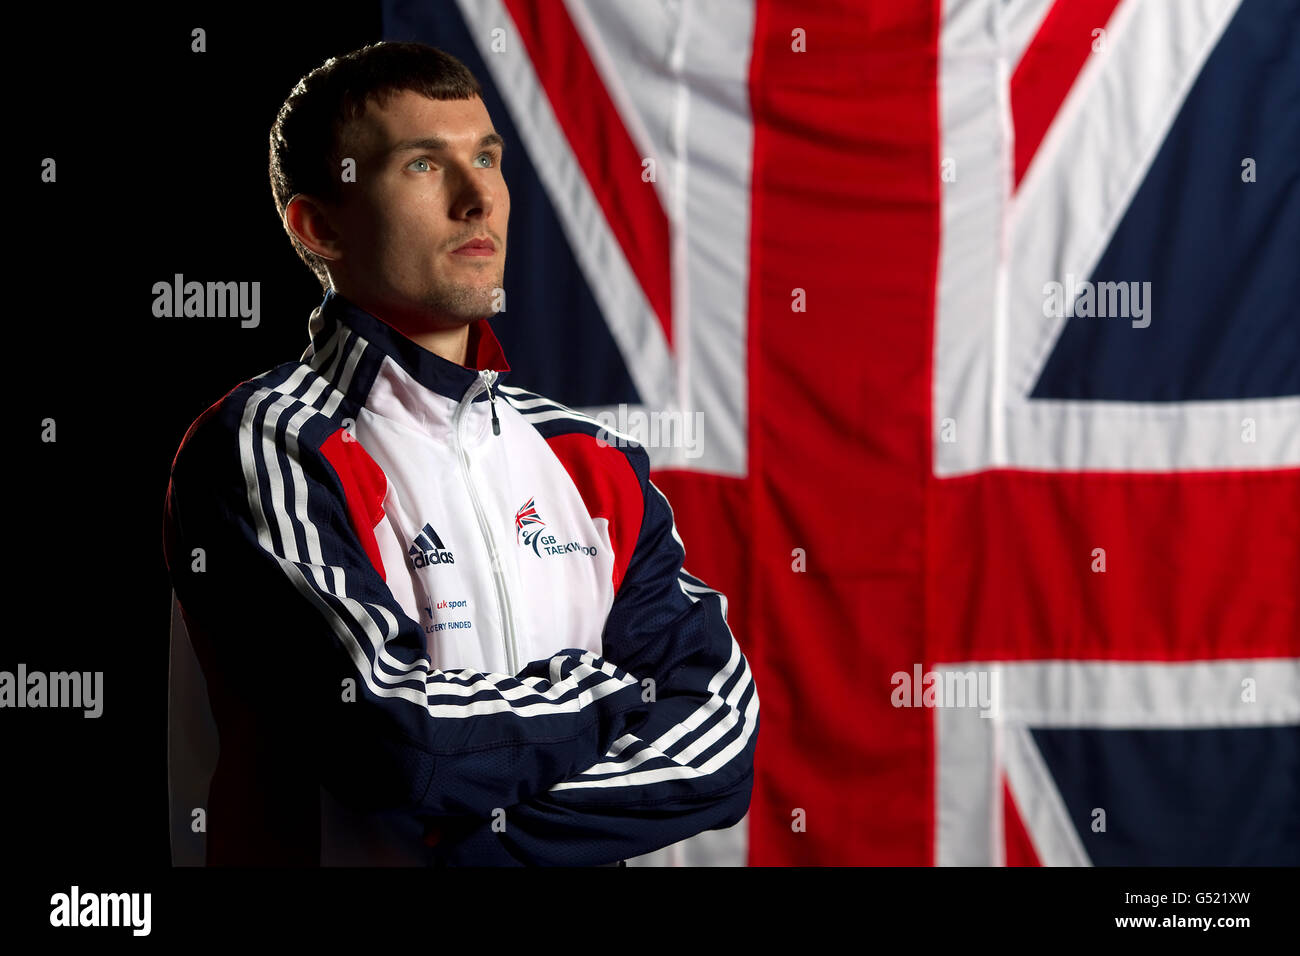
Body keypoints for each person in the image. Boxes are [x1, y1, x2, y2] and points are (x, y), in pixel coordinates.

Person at [161, 40, 759, 866]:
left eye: (487, 157)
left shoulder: (593, 461)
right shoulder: (269, 441)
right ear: (319, 224)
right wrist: (612, 691)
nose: (479, 198)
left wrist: (477, 848)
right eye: (421, 165)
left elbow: (720, 747)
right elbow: (393, 735)